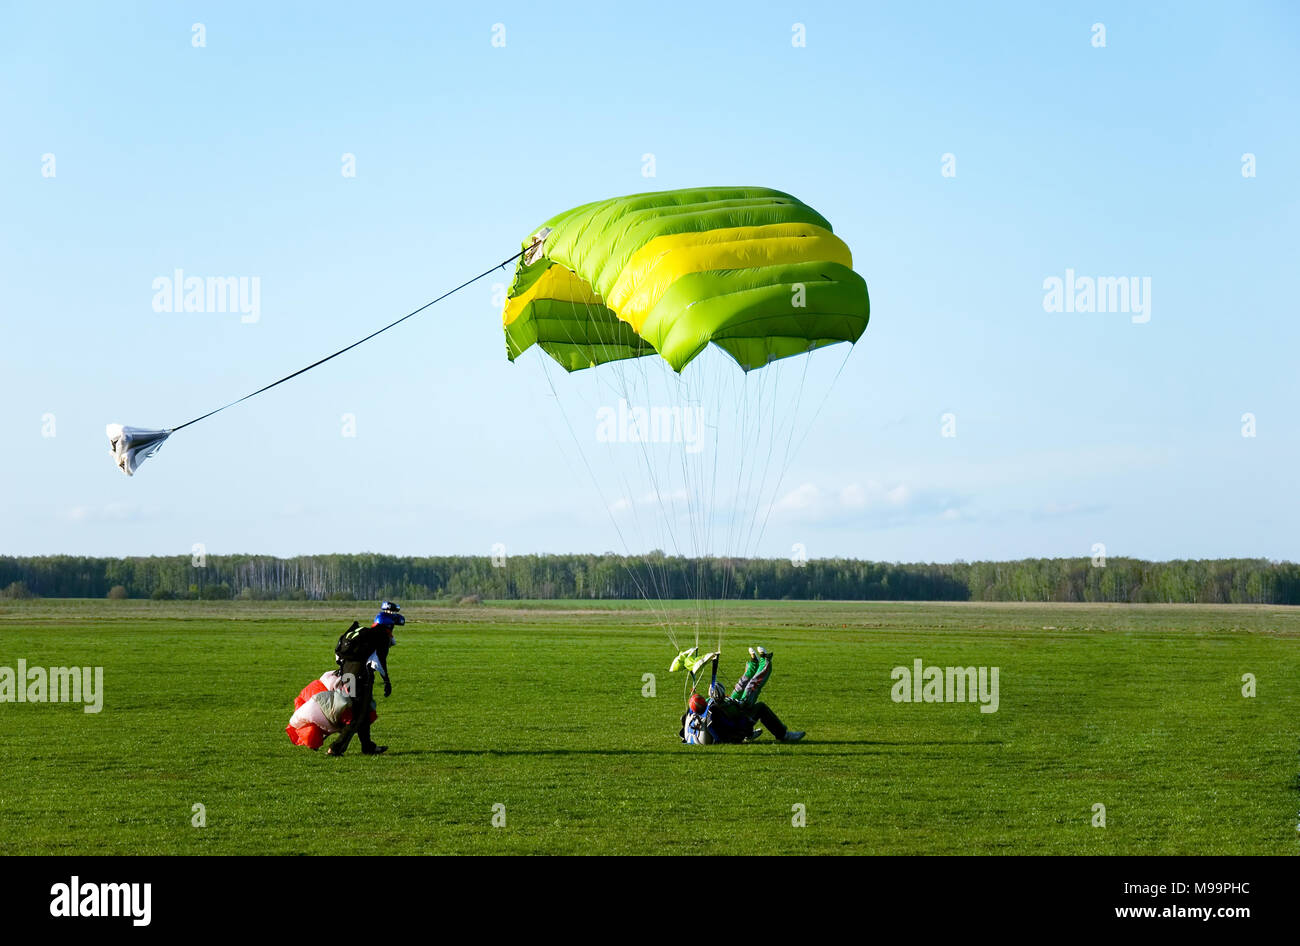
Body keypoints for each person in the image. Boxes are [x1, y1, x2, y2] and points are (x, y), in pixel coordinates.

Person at [678, 647, 804, 745]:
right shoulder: (714, 711)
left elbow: (684, 721)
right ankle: (783, 735)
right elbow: (730, 725)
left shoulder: (697, 711)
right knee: (756, 699)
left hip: (732, 716)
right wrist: (746, 729)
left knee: (739, 688)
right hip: (737, 727)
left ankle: (753, 663)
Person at [326, 601, 403, 756]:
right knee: (358, 715)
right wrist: (387, 681)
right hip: (361, 678)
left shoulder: (363, 634)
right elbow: (380, 661)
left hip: (347, 675)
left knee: (365, 711)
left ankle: (368, 747)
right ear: (388, 626)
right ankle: (335, 748)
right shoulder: (380, 637)